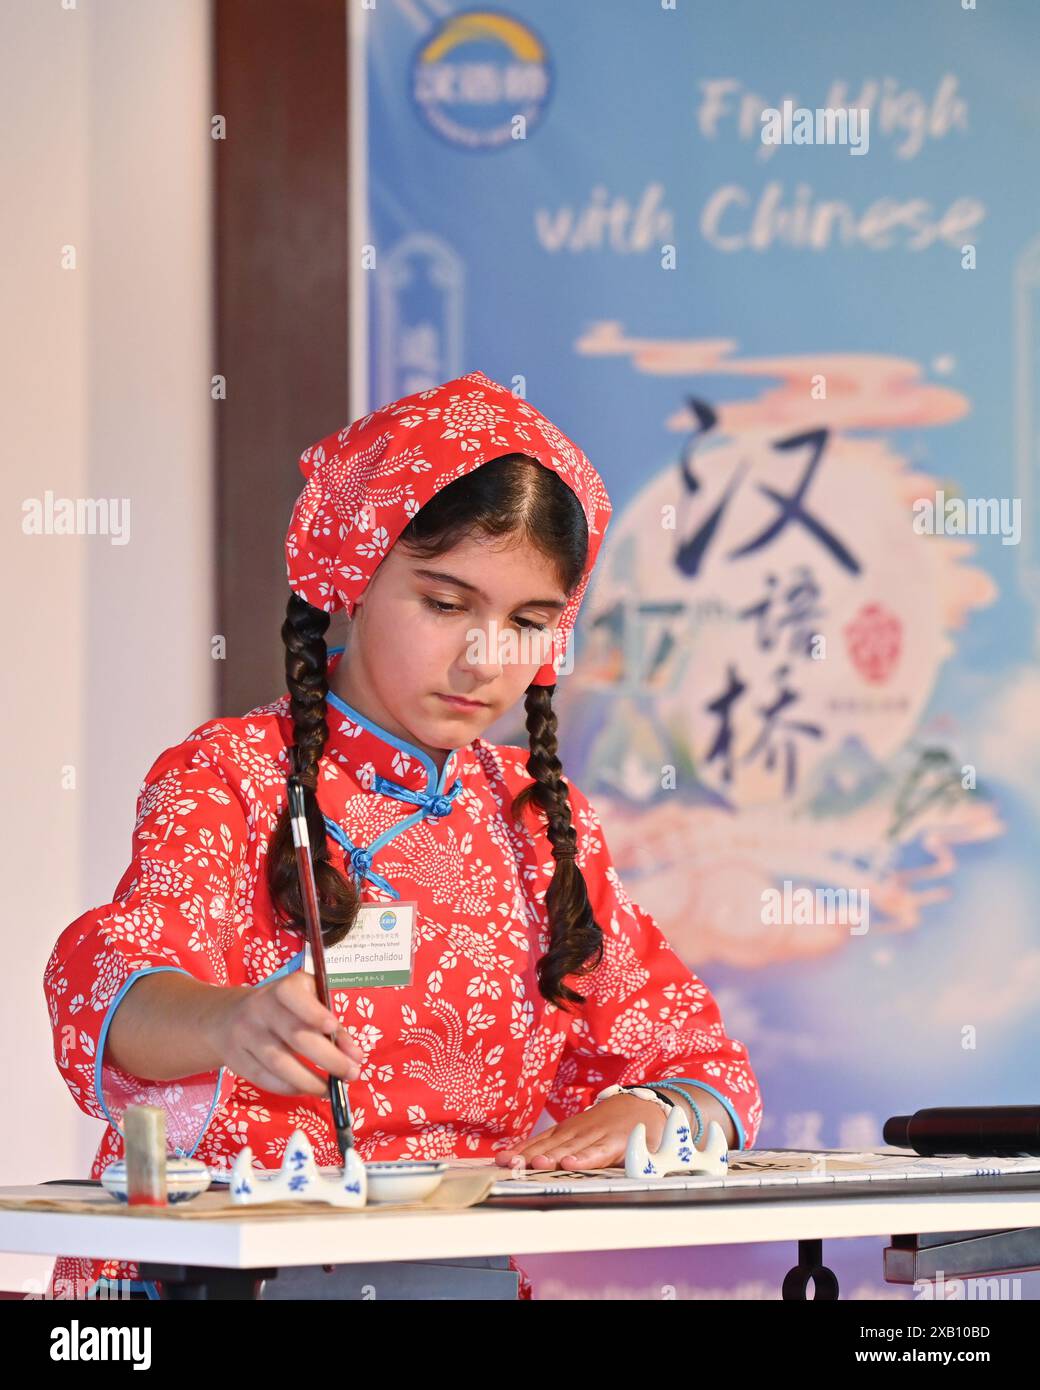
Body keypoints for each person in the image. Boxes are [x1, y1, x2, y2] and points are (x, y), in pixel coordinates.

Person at [42, 369, 762, 1300]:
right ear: (354, 572)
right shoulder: (229, 776)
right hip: (215, 1278)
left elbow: (698, 1055)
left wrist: (656, 1111)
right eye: (446, 603)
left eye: (529, 621)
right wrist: (231, 1021)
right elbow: (112, 988)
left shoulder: (543, 825)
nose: (484, 658)